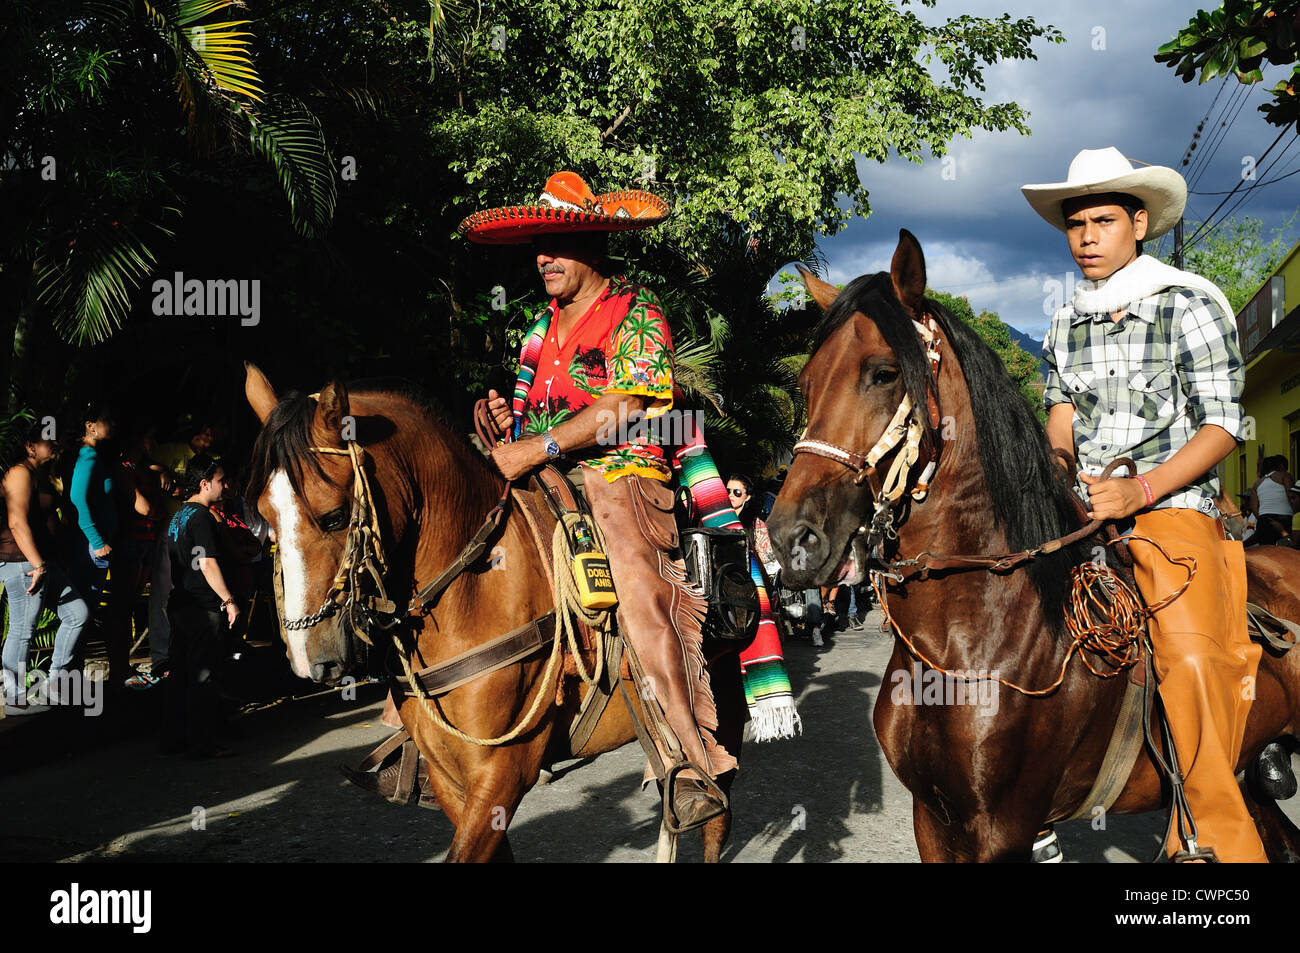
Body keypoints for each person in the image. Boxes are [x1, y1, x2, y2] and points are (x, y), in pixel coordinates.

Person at [467, 171, 732, 827]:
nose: (543, 258)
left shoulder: (638, 314)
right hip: (546, 476)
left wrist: (535, 449)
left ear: (593, 246)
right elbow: (526, 423)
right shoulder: (535, 328)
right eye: (538, 247)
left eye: (556, 244)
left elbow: (625, 408)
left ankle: (686, 755)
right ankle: (411, 725)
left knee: (641, 590)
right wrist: (501, 421)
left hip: (623, 475)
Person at [1025, 147, 1265, 862]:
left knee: (1190, 658)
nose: (1087, 236)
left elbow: (1224, 422)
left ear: (1138, 223)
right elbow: (1060, 415)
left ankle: (1208, 841)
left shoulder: (1189, 301)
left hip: (1172, 505)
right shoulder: (1064, 323)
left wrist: (1143, 488)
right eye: (1076, 224)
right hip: (1083, 506)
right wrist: (1062, 475)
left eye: (1103, 220)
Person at [1, 420, 90, 713]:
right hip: (22, 561)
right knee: (23, 628)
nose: (54, 445)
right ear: (29, 445)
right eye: (47, 440)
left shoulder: (40, 476)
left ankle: (55, 682)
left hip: (42, 560)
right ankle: (13, 692)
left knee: (77, 613)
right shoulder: (19, 473)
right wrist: (38, 564)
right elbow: (16, 522)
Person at [160, 454, 239, 758]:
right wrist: (228, 600)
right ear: (205, 483)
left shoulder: (179, 515)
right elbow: (207, 563)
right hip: (203, 606)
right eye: (221, 481)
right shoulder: (203, 517)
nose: (225, 486)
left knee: (180, 673)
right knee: (203, 674)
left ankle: (173, 740)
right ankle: (203, 744)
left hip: (181, 602)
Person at [1249, 454, 1295, 547]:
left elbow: (1253, 507)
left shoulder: (1257, 483)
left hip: (1264, 521)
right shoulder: (1284, 476)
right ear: (1280, 466)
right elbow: (1291, 496)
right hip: (1284, 519)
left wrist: (1264, 519)